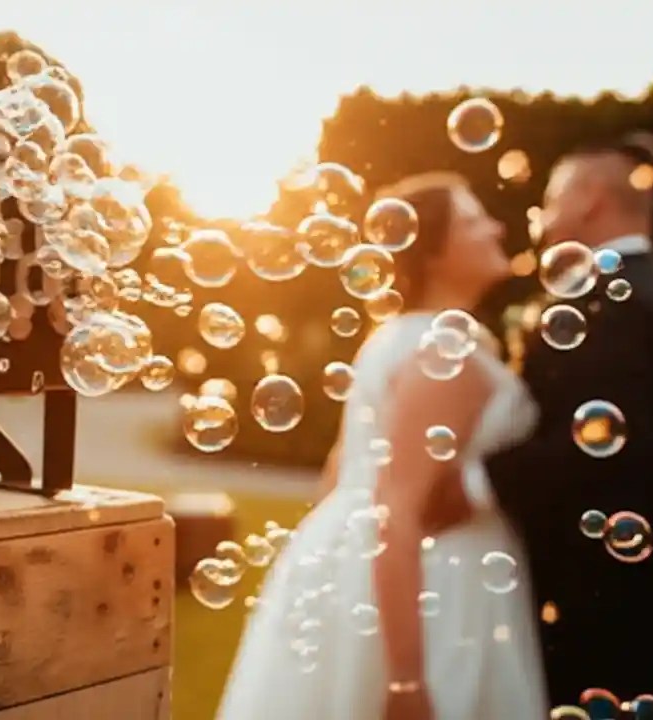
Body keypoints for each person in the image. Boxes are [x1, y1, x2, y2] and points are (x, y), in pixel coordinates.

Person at [219, 173, 548, 720]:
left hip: (355, 567)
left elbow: (339, 475)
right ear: (434, 253)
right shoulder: (446, 353)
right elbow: (397, 509)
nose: (494, 227)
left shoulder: (396, 336)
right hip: (435, 583)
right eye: (471, 220)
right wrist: (405, 679)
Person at [485, 133, 653, 705]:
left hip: (587, 597)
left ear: (590, 197)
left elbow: (597, 448)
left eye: (553, 194)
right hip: (646, 593)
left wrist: (473, 473)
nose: (543, 211)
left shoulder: (604, 302)